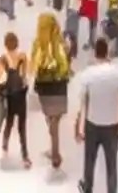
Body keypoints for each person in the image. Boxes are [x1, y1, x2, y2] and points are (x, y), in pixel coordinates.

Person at [75, 38, 118, 193]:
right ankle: (112, 190)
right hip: (112, 125)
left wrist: (78, 127)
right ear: (107, 52)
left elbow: (83, 103)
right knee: (112, 163)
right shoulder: (117, 74)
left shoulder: (88, 75)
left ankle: (87, 188)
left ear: (94, 52)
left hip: (93, 124)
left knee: (89, 160)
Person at [30, 13, 71, 169]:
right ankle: (54, 150)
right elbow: (65, 62)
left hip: (44, 85)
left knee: (50, 118)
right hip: (59, 84)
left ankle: (54, 151)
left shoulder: (38, 43)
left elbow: (34, 64)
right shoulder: (61, 42)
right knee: (55, 119)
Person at [0, 32, 32, 169]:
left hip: (9, 97)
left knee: (8, 124)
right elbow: (27, 76)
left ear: (6, 45)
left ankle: (4, 150)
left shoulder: (3, 59)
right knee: (22, 127)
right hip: (21, 97)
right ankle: (25, 156)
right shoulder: (23, 57)